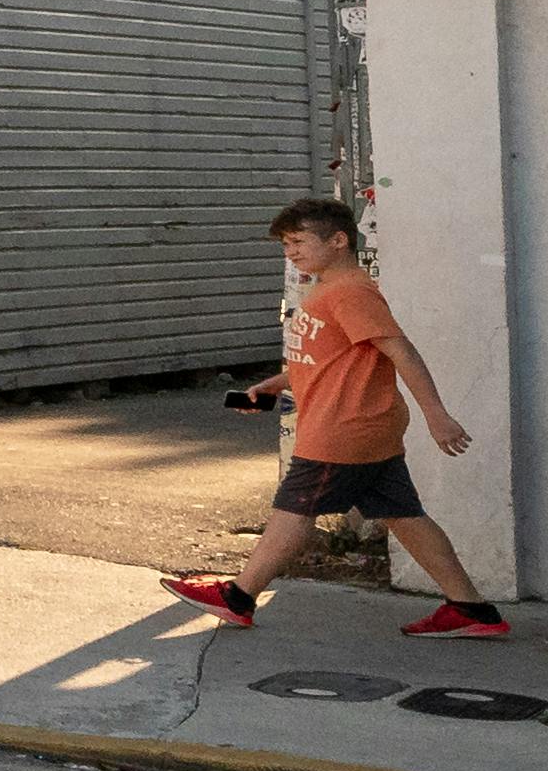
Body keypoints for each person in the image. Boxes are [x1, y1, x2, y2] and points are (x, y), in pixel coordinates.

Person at [168, 197, 500, 636]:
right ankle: (471, 610)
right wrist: (278, 382)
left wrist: (437, 416)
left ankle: (239, 597)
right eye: (285, 244)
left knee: (294, 509)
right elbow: (330, 355)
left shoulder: (350, 292)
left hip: (342, 429)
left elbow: (400, 351)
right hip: (366, 429)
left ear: (338, 240)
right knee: (405, 516)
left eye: (299, 241)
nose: (290, 251)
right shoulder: (328, 287)